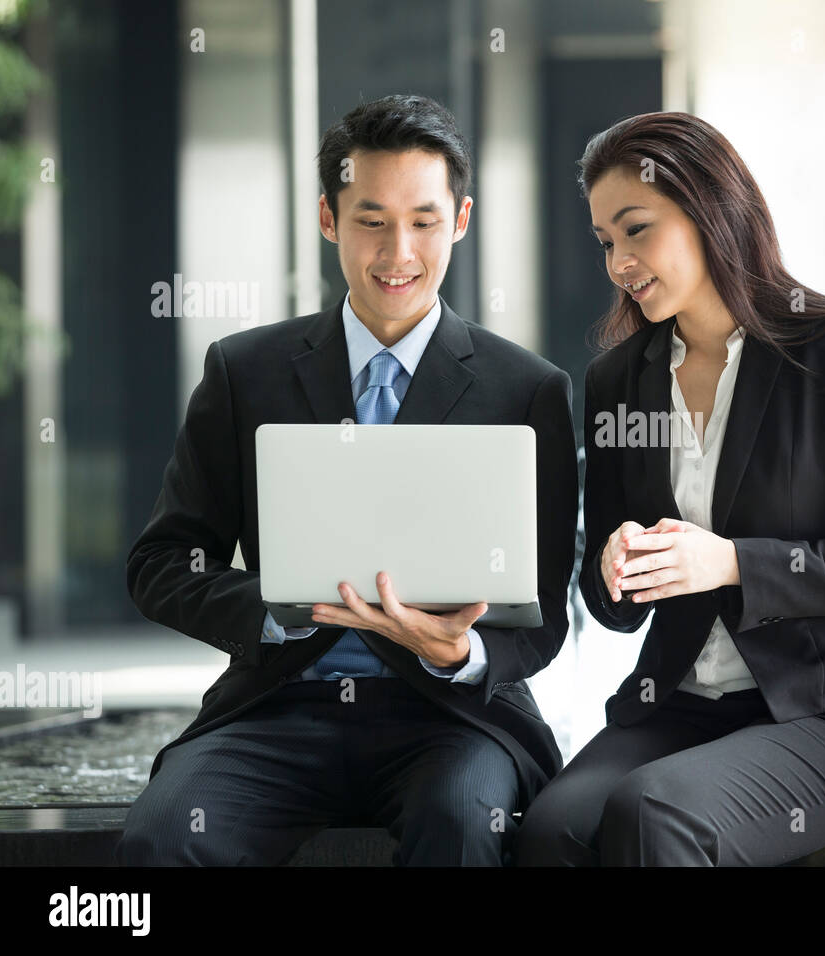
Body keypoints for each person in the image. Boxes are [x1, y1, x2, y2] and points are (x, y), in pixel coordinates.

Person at [115, 94, 578, 866]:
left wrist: (458, 652)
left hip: (451, 719)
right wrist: (279, 613)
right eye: (371, 220)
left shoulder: (528, 390)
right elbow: (161, 565)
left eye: (424, 221)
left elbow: (546, 613)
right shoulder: (244, 373)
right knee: (160, 838)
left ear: (461, 220)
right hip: (278, 707)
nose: (399, 251)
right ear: (329, 219)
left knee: (463, 828)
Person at [515, 111, 825, 866]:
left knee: (654, 812)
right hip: (671, 707)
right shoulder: (618, 380)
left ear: (709, 207)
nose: (618, 263)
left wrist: (733, 562)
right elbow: (607, 610)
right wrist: (616, 569)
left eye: (637, 230)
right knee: (550, 832)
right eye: (606, 241)